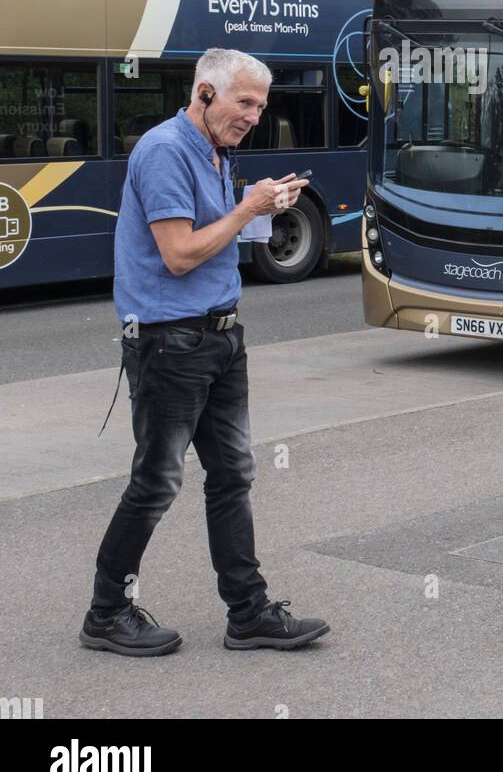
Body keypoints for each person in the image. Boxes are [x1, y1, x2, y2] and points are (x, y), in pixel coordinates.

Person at [80, 48, 330, 656]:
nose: (254, 115)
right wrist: (247, 206)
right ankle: (106, 613)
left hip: (218, 337)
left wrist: (263, 209)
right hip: (172, 343)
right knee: (157, 481)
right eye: (245, 102)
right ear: (206, 92)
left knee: (232, 477)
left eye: (262, 106)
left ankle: (248, 614)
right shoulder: (165, 150)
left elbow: (213, 237)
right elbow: (179, 253)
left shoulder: (216, 151)